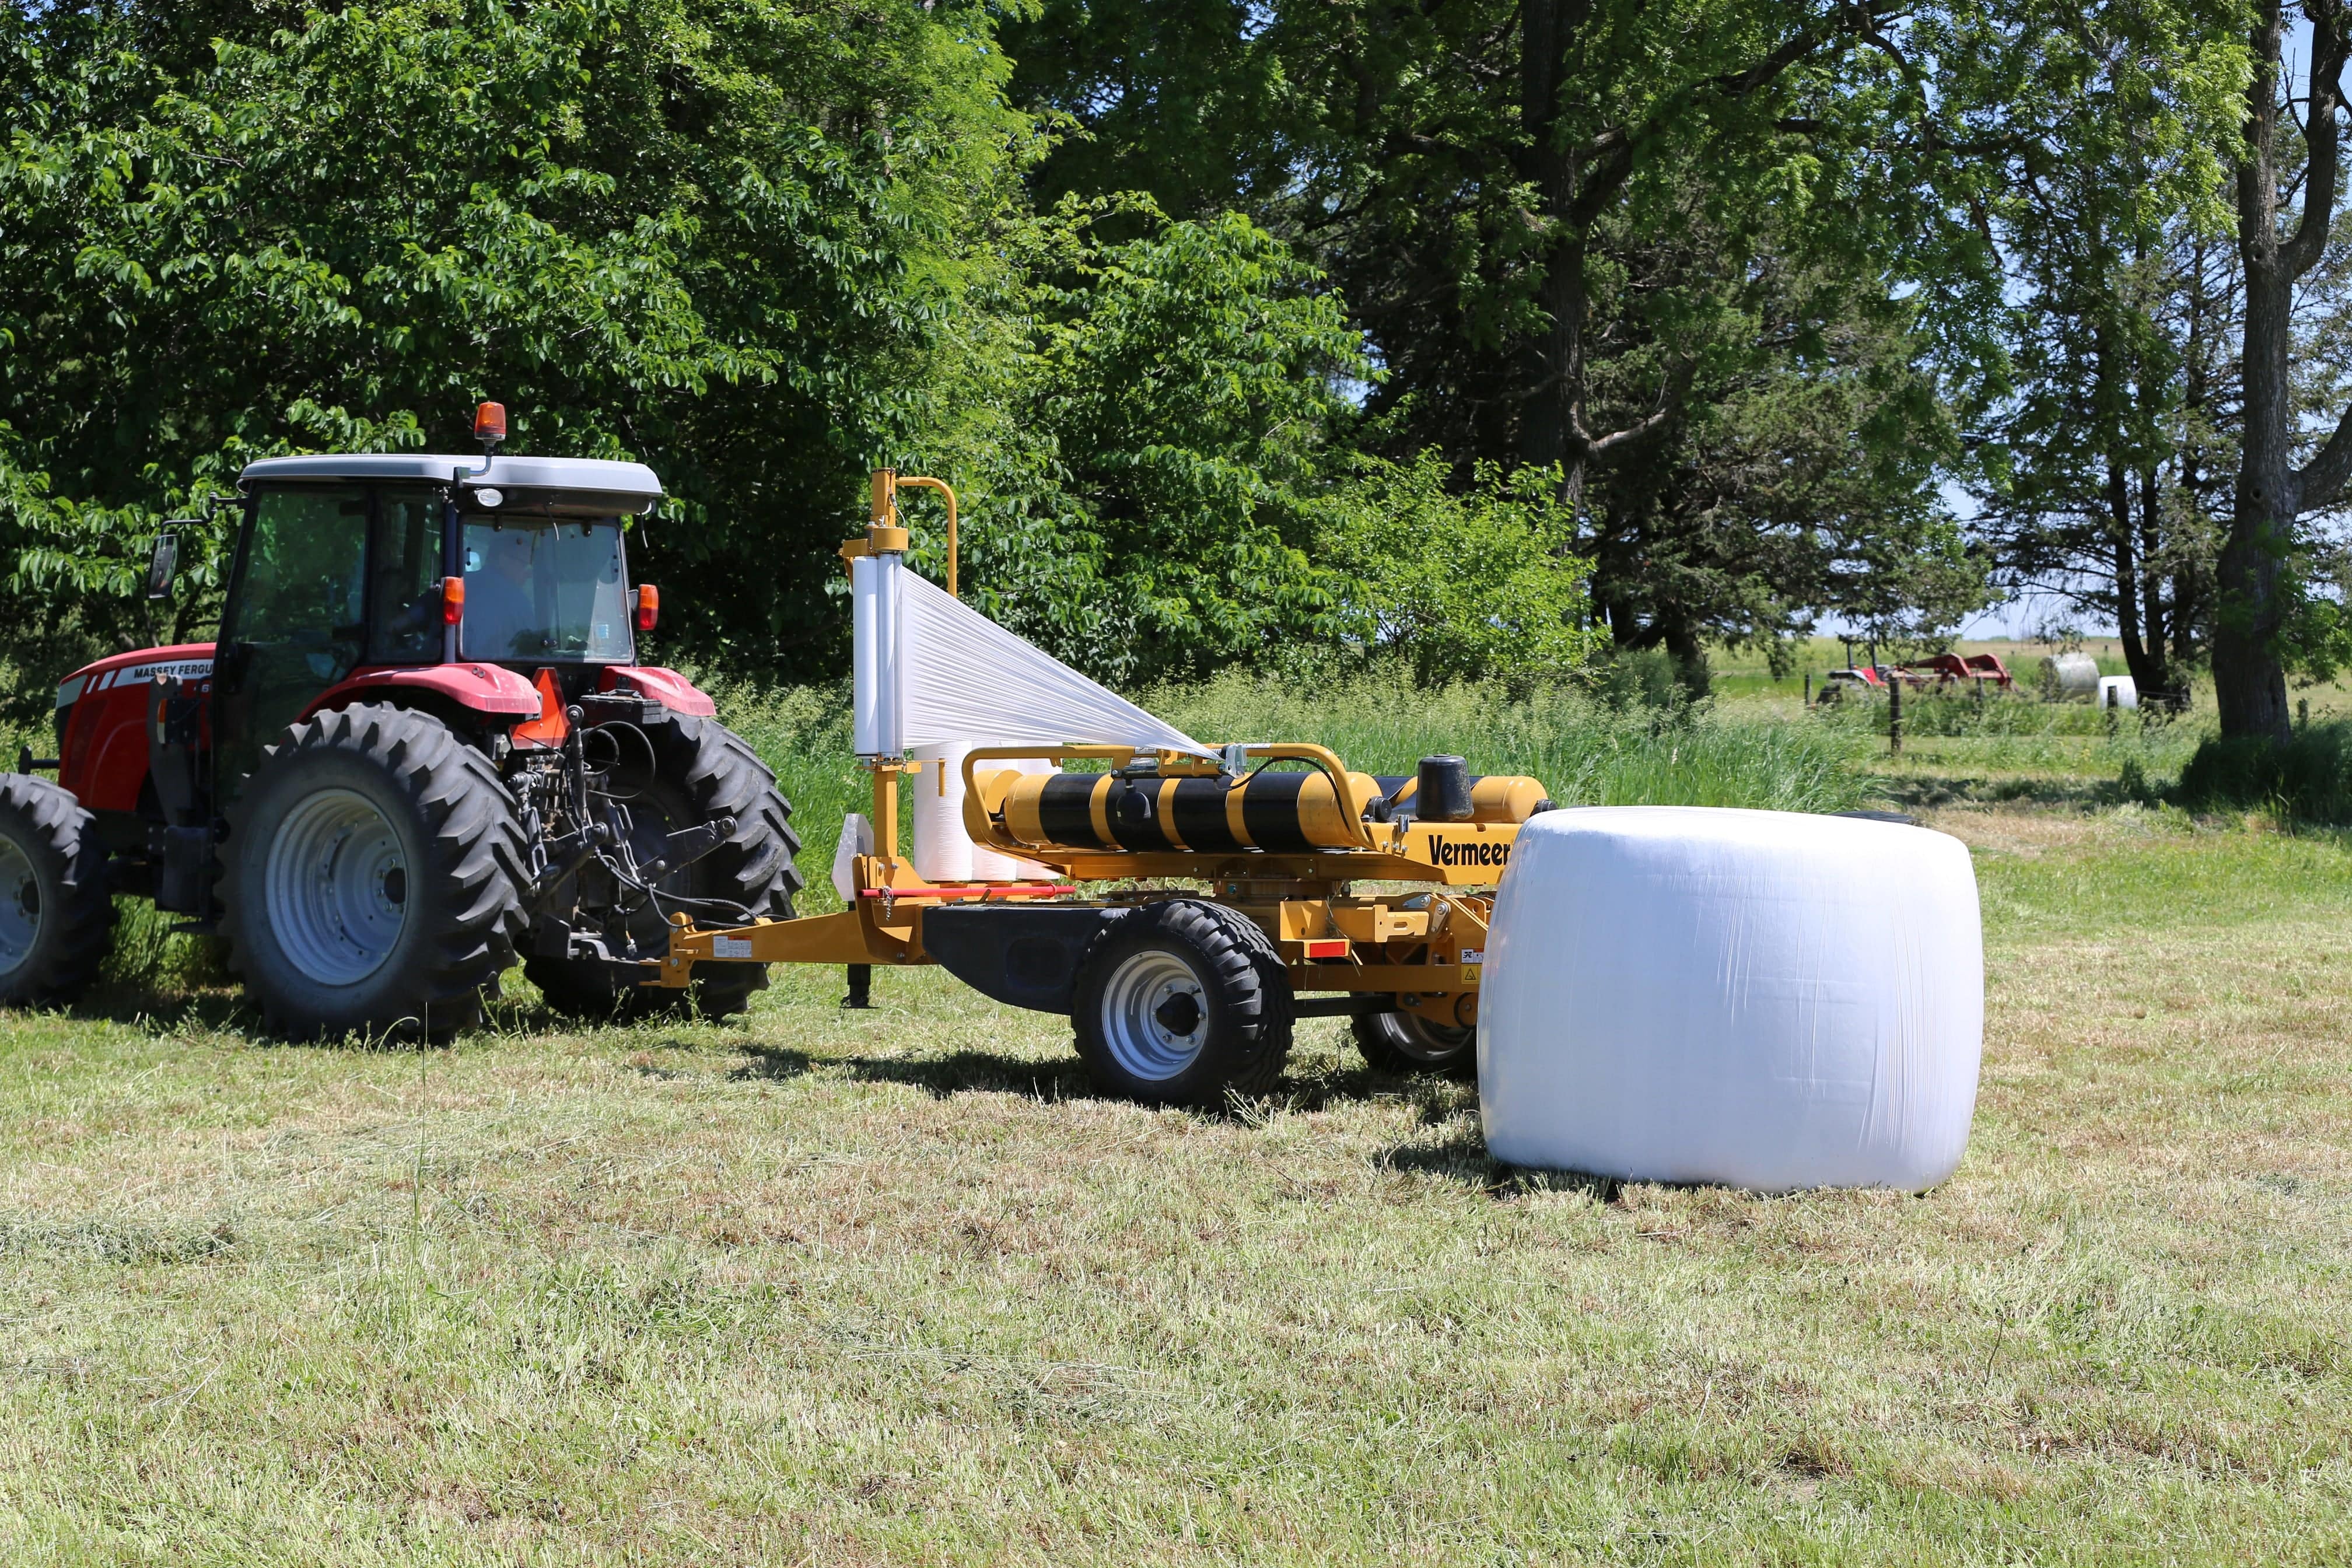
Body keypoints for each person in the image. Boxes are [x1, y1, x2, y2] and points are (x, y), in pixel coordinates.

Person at [463, 526, 543, 658]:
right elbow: (533, 646)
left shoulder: (461, 583)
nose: (529, 574)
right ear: (503, 559)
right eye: (525, 565)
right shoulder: (517, 600)